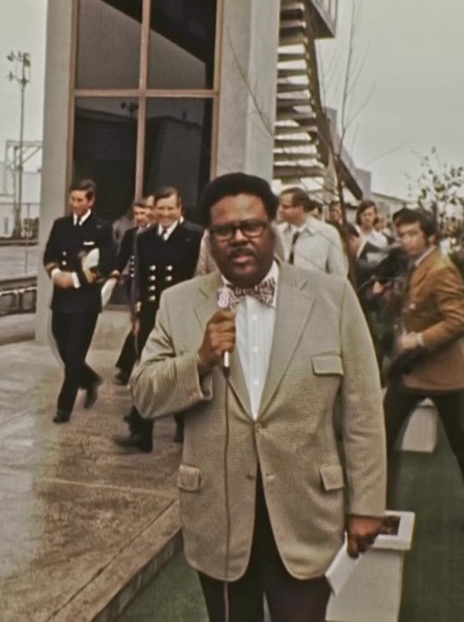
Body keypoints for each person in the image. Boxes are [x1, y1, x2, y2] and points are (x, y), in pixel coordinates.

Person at [130, 172, 387, 622]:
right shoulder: (179, 303)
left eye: (252, 226)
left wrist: (367, 505)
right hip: (219, 517)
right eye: (225, 231)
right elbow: (145, 395)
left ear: (272, 228)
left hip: (307, 512)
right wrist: (200, 360)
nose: (239, 239)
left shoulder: (332, 297)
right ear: (210, 239)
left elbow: (363, 409)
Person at [383, 208, 464, 532]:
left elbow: (460, 321)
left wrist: (418, 338)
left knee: (460, 440)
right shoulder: (419, 264)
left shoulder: (442, 269)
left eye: (412, 234)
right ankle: (377, 509)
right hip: (413, 370)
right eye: (401, 234)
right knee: (382, 435)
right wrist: (391, 298)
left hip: (443, 373)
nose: (405, 240)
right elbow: (418, 306)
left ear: (430, 237)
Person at [115, 186, 203, 452]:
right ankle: (142, 433)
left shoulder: (195, 236)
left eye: (170, 208)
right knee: (147, 370)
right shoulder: (143, 238)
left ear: (180, 209)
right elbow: (139, 280)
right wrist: (137, 314)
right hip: (153, 312)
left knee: (183, 369)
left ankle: (183, 425)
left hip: (183, 312)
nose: (164, 213)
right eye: (160, 208)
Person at [42, 179, 117, 424]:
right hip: (61, 299)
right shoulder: (60, 225)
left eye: (80, 200)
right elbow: (49, 256)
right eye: (72, 199)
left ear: (91, 200)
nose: (74, 204)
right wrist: (55, 275)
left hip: (85, 301)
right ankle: (89, 379)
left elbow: (106, 263)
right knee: (62, 346)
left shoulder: (102, 229)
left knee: (75, 354)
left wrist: (74, 279)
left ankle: (64, 407)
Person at [112, 195, 155, 384]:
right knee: (137, 324)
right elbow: (121, 259)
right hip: (133, 283)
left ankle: (128, 365)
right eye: (137, 213)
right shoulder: (131, 235)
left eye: (143, 212)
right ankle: (127, 366)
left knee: (141, 325)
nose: (140, 217)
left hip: (151, 283)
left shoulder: (156, 234)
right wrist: (113, 275)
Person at [276, 186, 348, 277]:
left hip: (315, 289)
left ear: (299, 207)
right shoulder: (277, 232)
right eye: (279, 205)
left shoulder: (327, 233)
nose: (280, 210)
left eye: (285, 207)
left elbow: (338, 273)